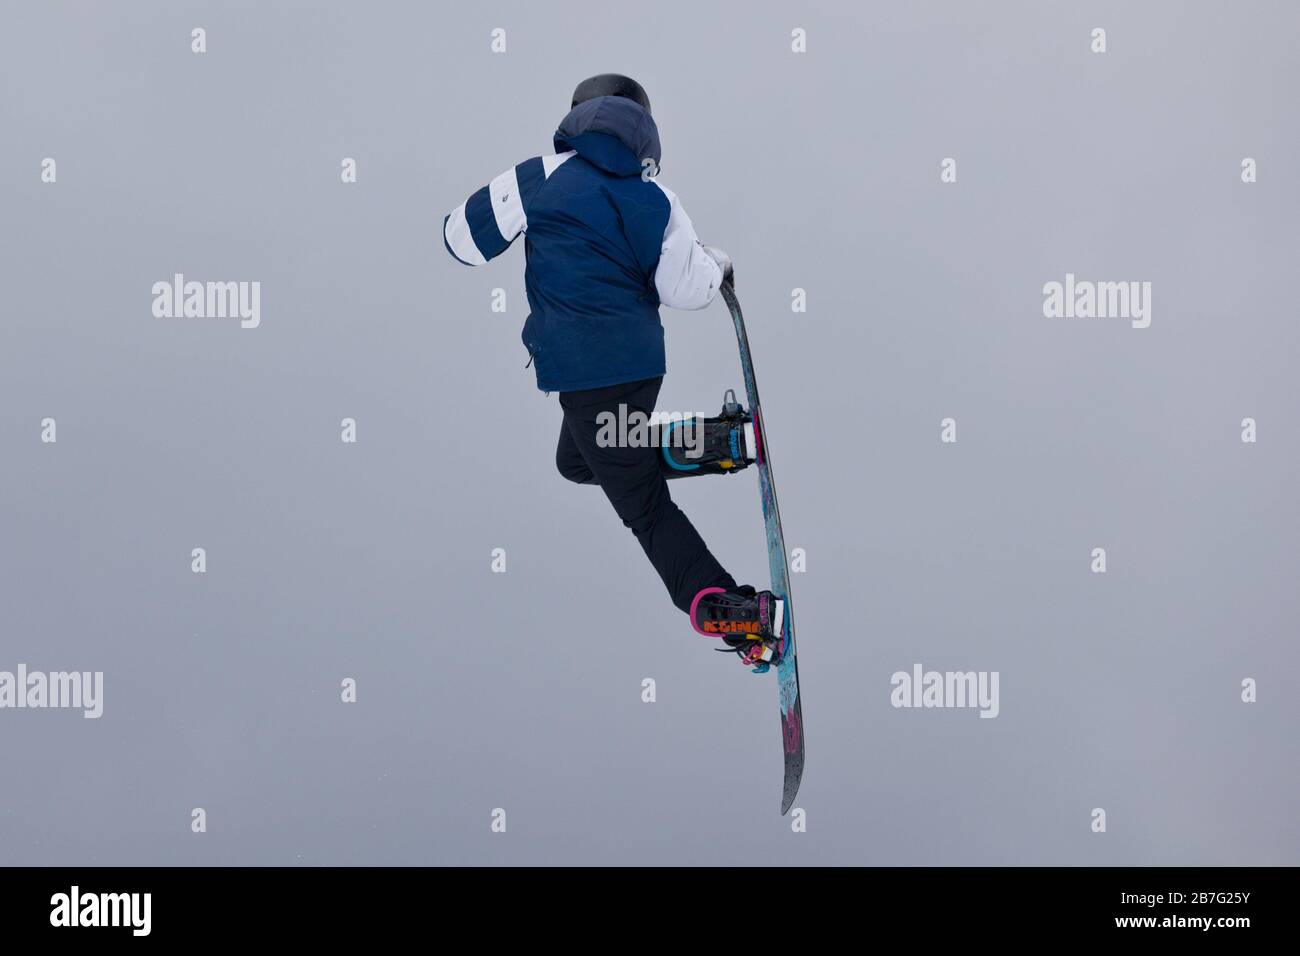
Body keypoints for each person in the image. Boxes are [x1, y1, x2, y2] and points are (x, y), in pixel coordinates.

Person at [443, 73, 783, 667]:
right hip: (634, 368)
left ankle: (731, 610)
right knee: (577, 461)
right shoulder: (657, 198)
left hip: (585, 371)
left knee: (645, 509)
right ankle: (719, 442)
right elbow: (685, 289)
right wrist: (716, 264)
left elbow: (461, 241)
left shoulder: (538, 177)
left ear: (574, 118)